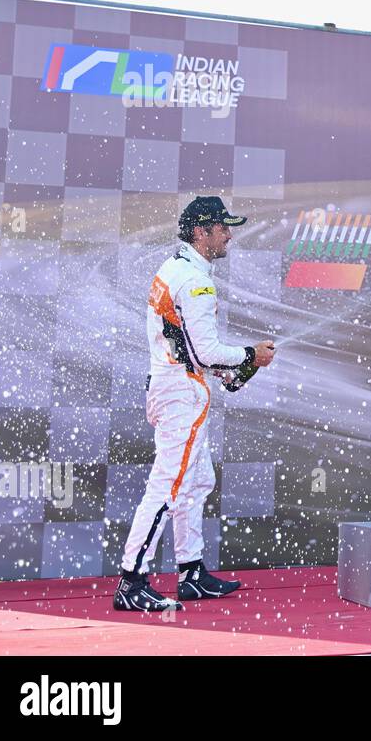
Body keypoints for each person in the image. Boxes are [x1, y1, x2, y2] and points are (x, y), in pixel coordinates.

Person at [113, 196, 276, 612]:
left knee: (195, 480)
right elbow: (205, 351)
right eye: (223, 227)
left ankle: (191, 573)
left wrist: (224, 372)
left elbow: (184, 345)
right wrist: (249, 356)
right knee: (168, 485)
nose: (229, 234)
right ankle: (132, 580)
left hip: (174, 384)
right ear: (201, 232)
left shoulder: (174, 268)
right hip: (181, 393)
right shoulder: (196, 281)